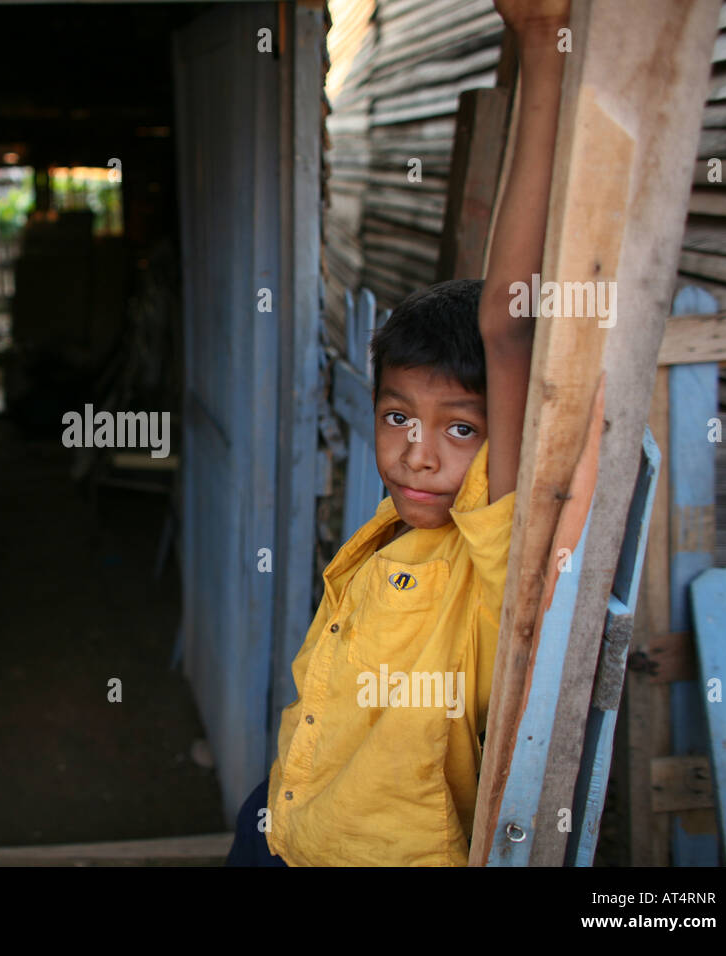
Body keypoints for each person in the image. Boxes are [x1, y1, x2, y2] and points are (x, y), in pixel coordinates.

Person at [226, 0, 569, 866]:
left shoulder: (492, 552)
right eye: (397, 418)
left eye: (461, 428)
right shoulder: (389, 534)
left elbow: (510, 325)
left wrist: (541, 42)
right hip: (291, 819)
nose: (419, 452)